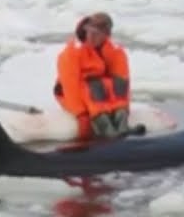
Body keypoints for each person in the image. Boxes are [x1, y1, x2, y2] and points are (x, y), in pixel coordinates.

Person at [52, 12, 133, 141]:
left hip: (99, 93)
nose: (91, 37)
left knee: (115, 83)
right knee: (93, 86)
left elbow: (123, 82)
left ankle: (120, 122)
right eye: (89, 32)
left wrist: (124, 109)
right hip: (70, 93)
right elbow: (70, 86)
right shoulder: (72, 52)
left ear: (106, 36)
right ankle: (103, 126)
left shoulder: (115, 51)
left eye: (96, 34)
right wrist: (81, 115)